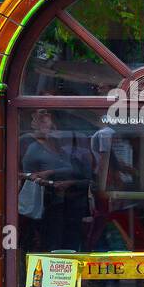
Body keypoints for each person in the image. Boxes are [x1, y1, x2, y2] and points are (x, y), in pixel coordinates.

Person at [20, 108, 91, 252]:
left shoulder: (60, 148)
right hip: (45, 203)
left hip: (65, 201)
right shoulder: (31, 147)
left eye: (50, 125)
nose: (49, 129)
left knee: (66, 240)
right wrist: (46, 180)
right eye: (43, 123)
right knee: (51, 240)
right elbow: (27, 176)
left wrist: (53, 174)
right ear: (34, 125)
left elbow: (73, 170)